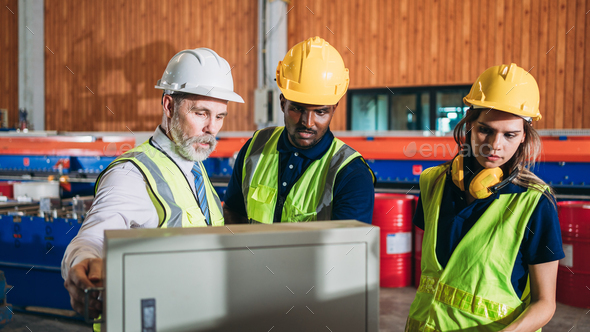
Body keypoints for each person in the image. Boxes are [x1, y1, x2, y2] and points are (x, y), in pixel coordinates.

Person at [61, 48, 243, 320]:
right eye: (201, 113)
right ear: (169, 106)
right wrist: (82, 262)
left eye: (220, 116)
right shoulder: (131, 174)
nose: (212, 129)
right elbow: (94, 236)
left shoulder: (193, 164)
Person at [405, 63, 564, 331]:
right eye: (485, 130)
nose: (495, 144)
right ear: (469, 125)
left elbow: (545, 303)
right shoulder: (433, 183)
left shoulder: (534, 203)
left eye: (510, 134)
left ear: (524, 137)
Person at [223, 36, 375, 224]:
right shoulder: (256, 146)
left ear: (333, 109)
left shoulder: (352, 173)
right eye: (298, 108)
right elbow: (233, 211)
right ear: (282, 103)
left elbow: (347, 249)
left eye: (320, 111)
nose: (308, 122)